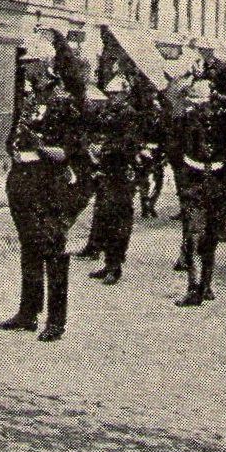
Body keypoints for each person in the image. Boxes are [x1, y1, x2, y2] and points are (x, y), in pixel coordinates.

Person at [0, 31, 92, 342]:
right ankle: (28, 312)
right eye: (26, 64)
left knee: (52, 247)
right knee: (28, 247)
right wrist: (13, 150)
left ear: (45, 64)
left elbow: (70, 150)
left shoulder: (63, 100)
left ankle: (56, 319)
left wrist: (40, 149)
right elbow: (17, 133)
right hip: (23, 179)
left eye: (31, 63)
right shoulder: (31, 97)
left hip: (50, 180)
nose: (26, 68)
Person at [173, 72, 226, 306]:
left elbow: (177, 151)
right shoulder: (224, 119)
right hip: (216, 183)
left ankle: (195, 288)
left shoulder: (187, 120)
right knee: (208, 237)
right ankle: (205, 286)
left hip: (196, 183)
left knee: (195, 235)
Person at [85, 60, 143, 285]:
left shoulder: (129, 115)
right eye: (110, 94)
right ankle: (108, 262)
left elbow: (129, 145)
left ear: (125, 95)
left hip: (122, 173)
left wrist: (105, 148)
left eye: (116, 94)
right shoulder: (109, 112)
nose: (112, 98)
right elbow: (99, 131)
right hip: (107, 172)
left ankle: (115, 266)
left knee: (119, 221)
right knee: (104, 218)